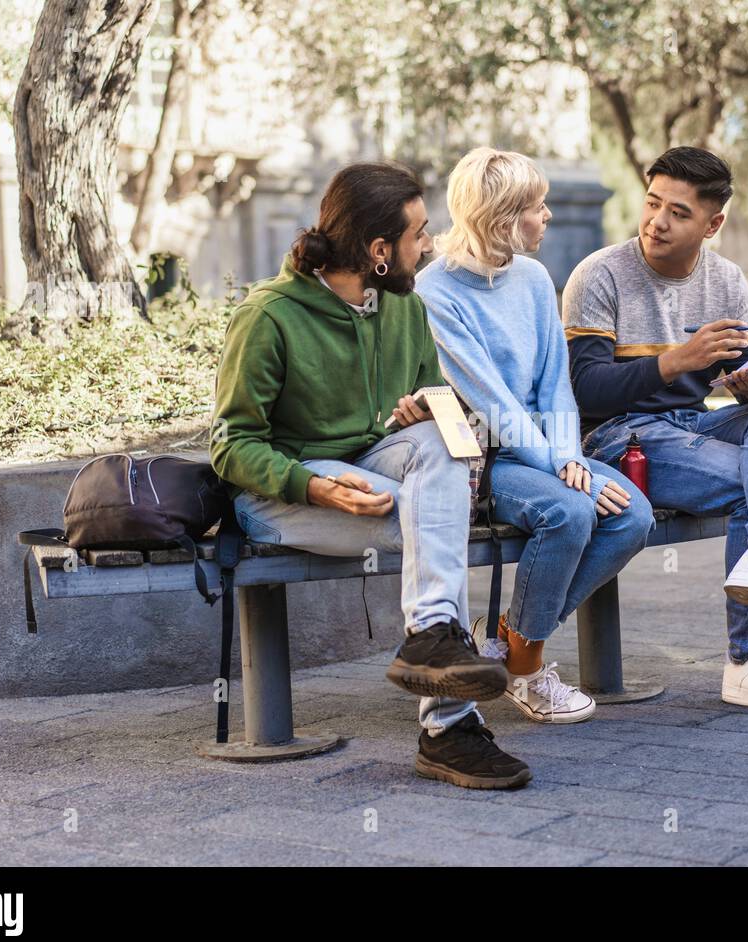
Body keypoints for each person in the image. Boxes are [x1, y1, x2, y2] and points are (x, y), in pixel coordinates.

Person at [210, 161, 531, 789]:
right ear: (379, 250)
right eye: (418, 234)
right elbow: (230, 445)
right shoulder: (269, 316)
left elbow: (437, 401)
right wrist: (314, 485)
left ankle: (432, 636)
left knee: (437, 448)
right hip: (282, 490)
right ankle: (448, 727)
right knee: (432, 519)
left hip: (372, 470)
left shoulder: (401, 308)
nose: (430, 245)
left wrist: (427, 408)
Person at [563, 146, 748, 714]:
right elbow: (585, 390)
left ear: (712, 224)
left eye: (679, 213)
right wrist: (678, 360)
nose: (657, 222)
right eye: (652, 203)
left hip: (693, 423)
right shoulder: (599, 275)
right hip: (618, 438)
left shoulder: (727, 281)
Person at [415, 148, 655, 723]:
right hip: (482, 455)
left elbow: (555, 384)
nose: (547, 216)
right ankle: (527, 672)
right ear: (502, 217)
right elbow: (490, 402)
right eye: (536, 207)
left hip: (547, 450)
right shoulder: (435, 291)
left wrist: (569, 456)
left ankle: (510, 639)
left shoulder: (533, 278)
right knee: (569, 513)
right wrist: (557, 468)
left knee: (633, 516)